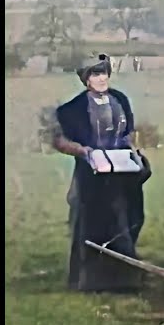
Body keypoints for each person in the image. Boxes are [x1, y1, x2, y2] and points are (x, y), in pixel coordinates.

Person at [52, 54, 149, 293]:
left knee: (127, 219)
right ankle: (90, 281)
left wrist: (133, 152)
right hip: (91, 176)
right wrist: (83, 151)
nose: (101, 78)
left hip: (122, 173)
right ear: (86, 80)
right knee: (90, 224)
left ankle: (124, 280)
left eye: (104, 72)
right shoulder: (72, 109)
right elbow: (59, 140)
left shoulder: (121, 100)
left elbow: (127, 133)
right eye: (95, 74)